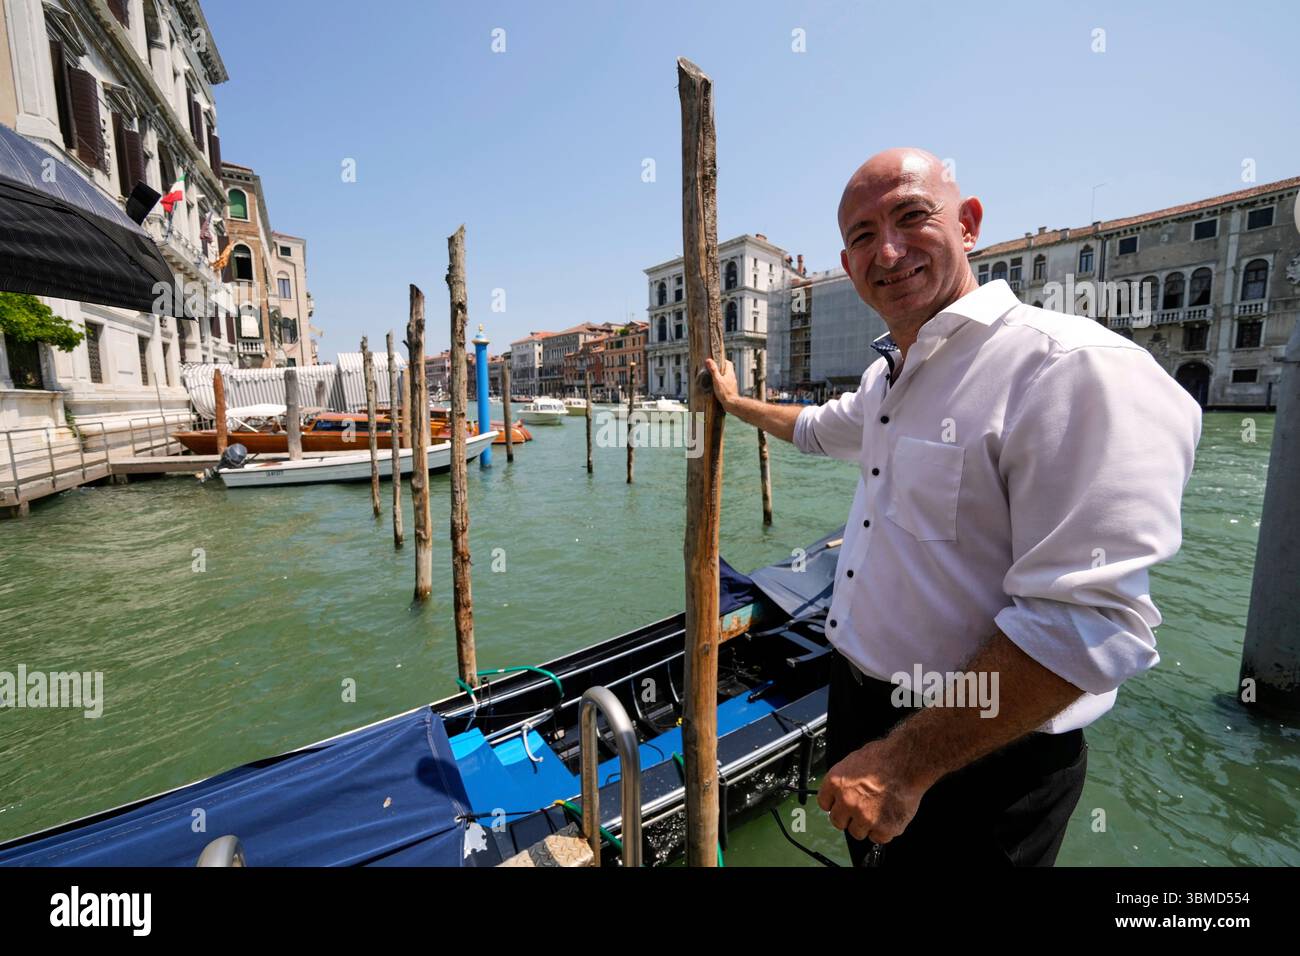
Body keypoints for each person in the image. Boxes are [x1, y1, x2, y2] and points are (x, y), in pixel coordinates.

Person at [705, 147, 1202, 866]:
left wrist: (904, 766)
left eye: (911, 217)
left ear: (968, 225)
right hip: (862, 710)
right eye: (865, 236)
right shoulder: (888, 382)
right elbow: (811, 429)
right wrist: (732, 402)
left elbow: (1089, 623)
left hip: (981, 753)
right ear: (848, 267)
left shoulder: (1070, 369)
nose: (890, 249)